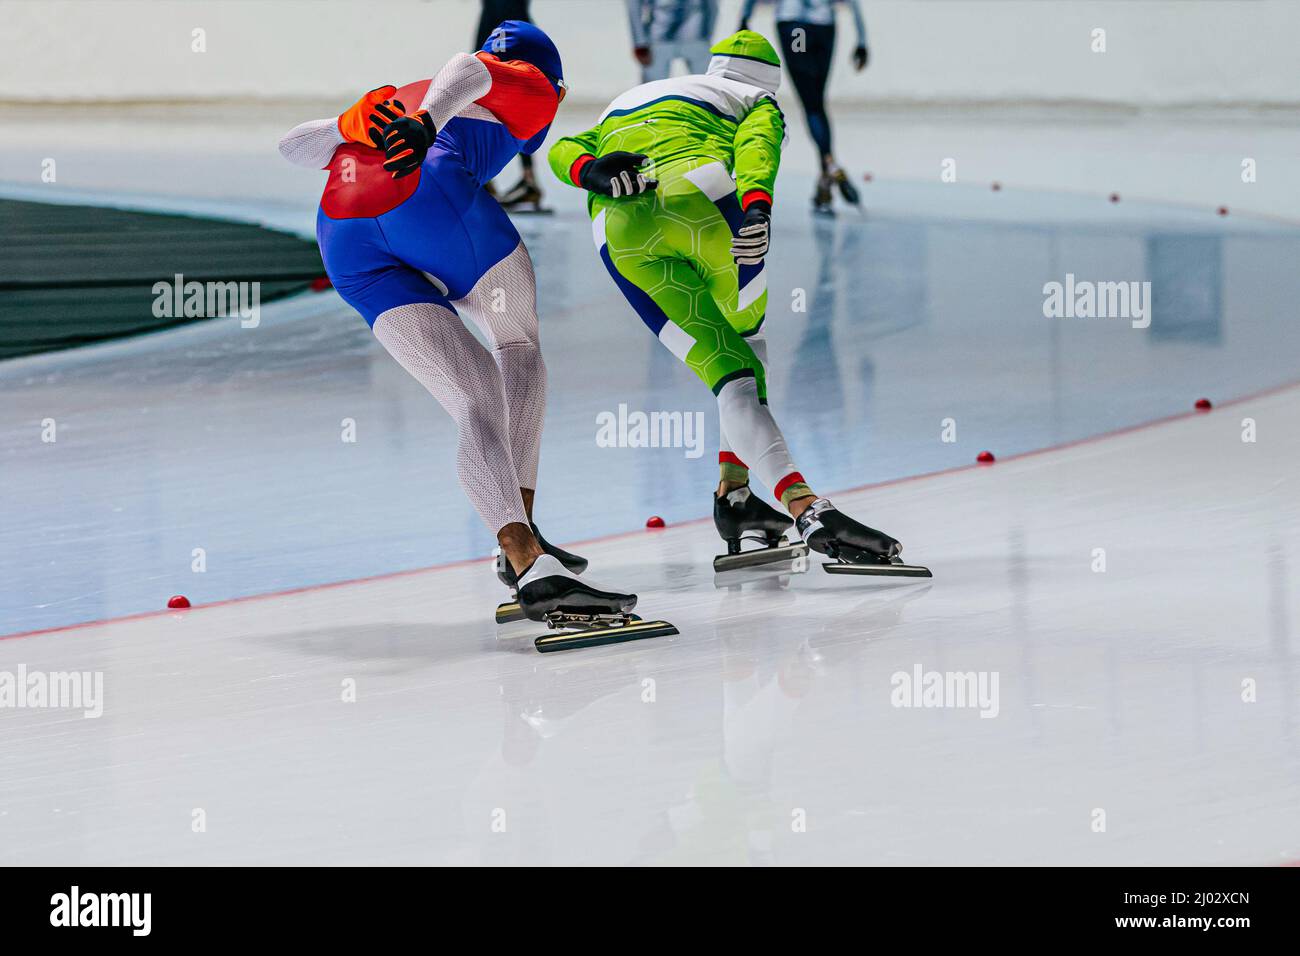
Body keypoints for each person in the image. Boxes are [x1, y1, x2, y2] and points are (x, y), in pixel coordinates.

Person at [277, 21, 636, 622]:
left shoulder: (396, 93)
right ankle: (527, 530)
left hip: (345, 240)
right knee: (518, 347)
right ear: (558, 83)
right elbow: (468, 68)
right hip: (433, 203)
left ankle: (523, 557)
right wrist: (426, 126)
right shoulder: (536, 88)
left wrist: (350, 125)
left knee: (472, 400)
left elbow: (293, 146)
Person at [546, 30, 903, 568]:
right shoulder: (759, 99)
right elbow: (756, 149)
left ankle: (734, 498)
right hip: (712, 209)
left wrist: (588, 173)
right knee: (743, 357)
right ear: (770, 81)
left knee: (722, 363)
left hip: (620, 226)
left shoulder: (634, 96)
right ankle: (808, 509)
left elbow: (562, 150)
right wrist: (757, 208)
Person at [740, 0, 868, 213]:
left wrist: (744, 19)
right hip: (824, 26)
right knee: (816, 101)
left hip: (795, 27)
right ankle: (826, 178)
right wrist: (862, 39)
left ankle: (829, 163)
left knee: (811, 103)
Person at [476, 0, 547, 210]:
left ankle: (489, 178)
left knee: (492, 89)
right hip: (505, 18)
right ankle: (524, 178)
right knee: (497, 93)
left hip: (503, 18)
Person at [625, 0, 718, 81]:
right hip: (671, 36)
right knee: (706, 86)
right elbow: (712, 6)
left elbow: (634, 7)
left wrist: (639, 42)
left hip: (665, 36)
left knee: (707, 86)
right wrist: (640, 42)